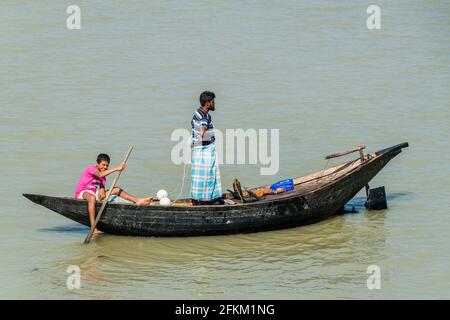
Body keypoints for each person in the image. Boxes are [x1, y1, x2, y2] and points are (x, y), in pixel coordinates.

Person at [75, 153, 152, 236]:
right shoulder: (91, 168)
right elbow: (99, 174)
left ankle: (138, 201)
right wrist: (116, 168)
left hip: (94, 193)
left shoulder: (103, 176)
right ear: (97, 164)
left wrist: (102, 190)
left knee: (116, 189)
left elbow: (102, 185)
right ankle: (93, 228)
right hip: (83, 192)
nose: (104, 167)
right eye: (103, 165)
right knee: (92, 198)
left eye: (107, 165)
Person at [190, 91, 223, 205]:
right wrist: (201, 134)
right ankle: (207, 200)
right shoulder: (205, 115)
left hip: (197, 149)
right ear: (208, 103)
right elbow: (203, 126)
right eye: (213, 102)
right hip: (205, 150)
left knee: (197, 176)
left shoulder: (197, 112)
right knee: (208, 176)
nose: (215, 104)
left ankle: (195, 199)